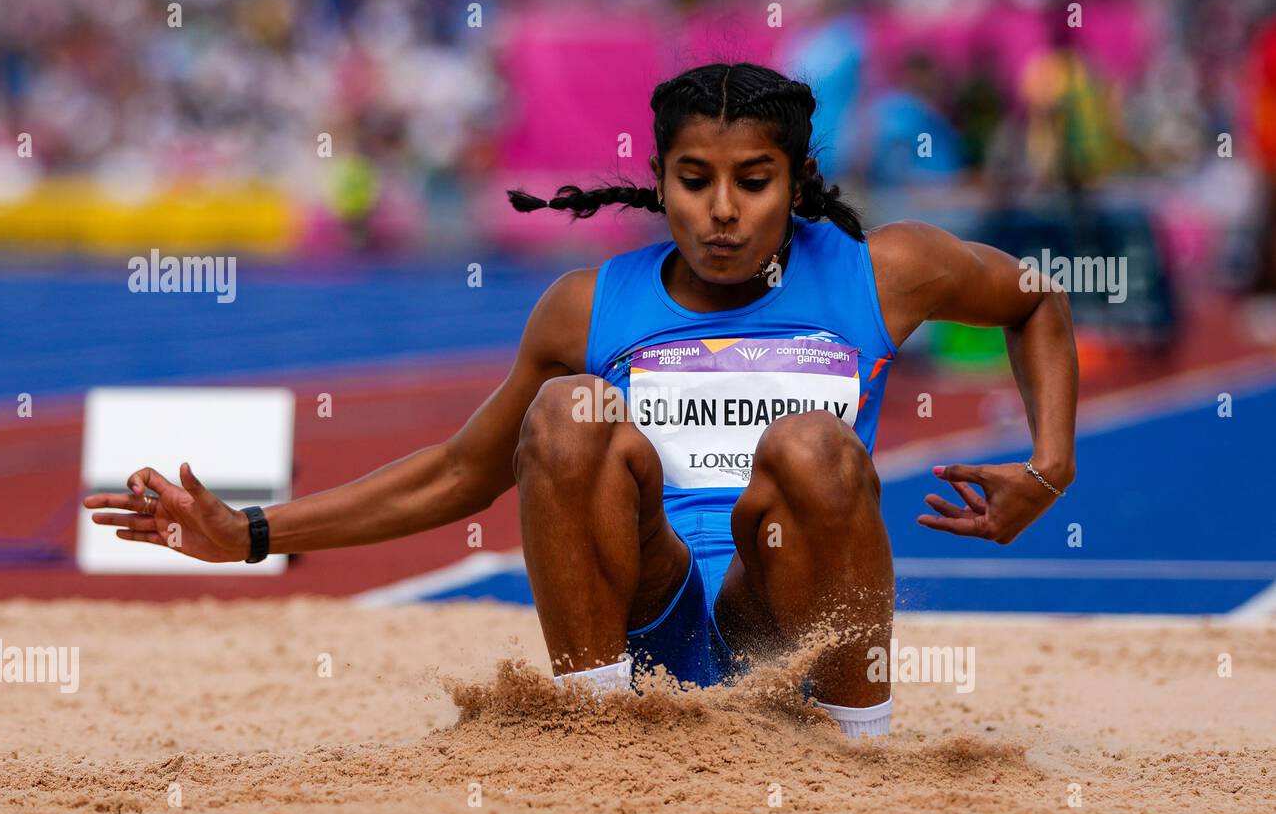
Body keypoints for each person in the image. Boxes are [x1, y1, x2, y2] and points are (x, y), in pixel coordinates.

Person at [83, 63, 1077, 739]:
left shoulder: (880, 272)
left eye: (752, 181)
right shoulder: (592, 305)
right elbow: (459, 470)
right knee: (564, 411)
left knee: (814, 447)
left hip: (789, 615)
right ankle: (601, 743)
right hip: (652, 617)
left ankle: (862, 751)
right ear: (659, 179)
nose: (721, 210)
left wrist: (1049, 463)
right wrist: (251, 532)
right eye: (693, 180)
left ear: (795, 184)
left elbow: (1034, 298)